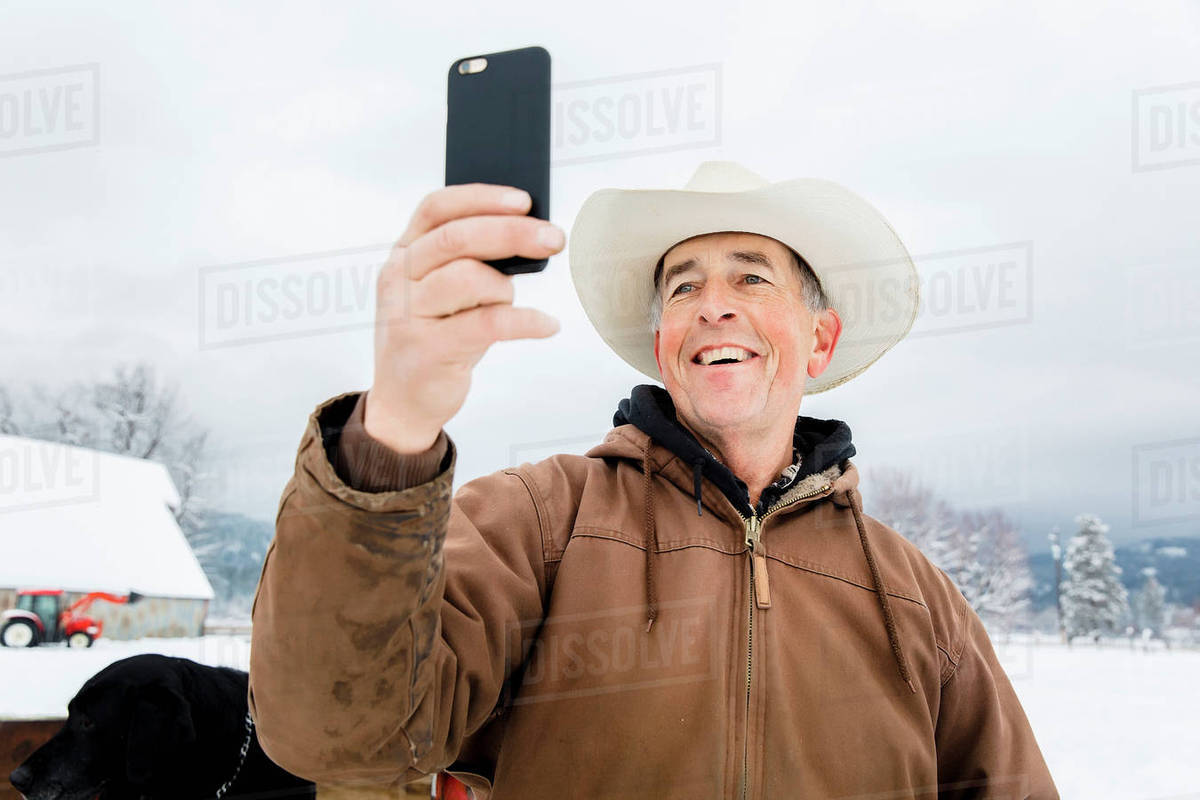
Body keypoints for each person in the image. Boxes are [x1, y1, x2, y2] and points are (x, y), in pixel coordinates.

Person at [248, 161, 1060, 799]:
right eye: (683, 286)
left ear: (820, 339)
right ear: (666, 342)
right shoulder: (540, 521)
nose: (713, 305)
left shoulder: (918, 601)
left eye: (750, 277)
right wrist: (395, 426)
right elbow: (338, 733)